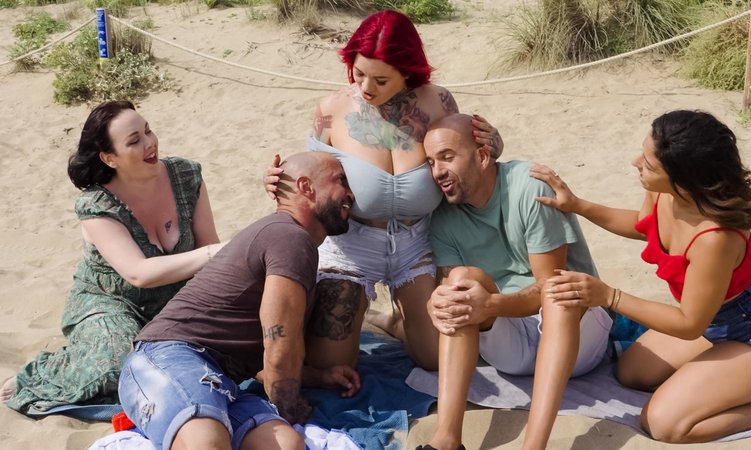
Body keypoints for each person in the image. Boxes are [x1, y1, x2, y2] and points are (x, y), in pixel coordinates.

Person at [534, 110, 751, 443]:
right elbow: (644, 226)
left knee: (663, 424)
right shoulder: (665, 192)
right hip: (715, 322)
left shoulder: (715, 238)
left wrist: (609, 296)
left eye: (648, 164)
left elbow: (689, 324)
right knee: (631, 373)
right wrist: (577, 205)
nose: (635, 163)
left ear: (684, 179)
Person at [264, 9, 503, 371]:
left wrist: (494, 145)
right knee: (331, 364)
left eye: (380, 79)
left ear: (407, 71)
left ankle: (394, 320)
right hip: (352, 247)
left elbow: (466, 160)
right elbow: (309, 175)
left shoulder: (439, 102)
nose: (365, 87)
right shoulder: (331, 109)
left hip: (416, 243)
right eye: (358, 73)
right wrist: (276, 180)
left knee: (435, 359)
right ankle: (375, 315)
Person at [118, 152, 360, 450]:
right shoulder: (290, 237)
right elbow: (279, 343)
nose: (350, 194)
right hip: (167, 356)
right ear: (306, 187)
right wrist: (289, 408)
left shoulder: (289, 238)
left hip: (220, 380)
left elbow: (258, 352)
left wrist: (318, 377)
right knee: (206, 442)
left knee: (287, 445)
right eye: (340, 181)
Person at [1, 101, 223, 414]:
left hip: (176, 300)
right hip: (110, 301)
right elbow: (138, 272)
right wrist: (212, 254)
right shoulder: (97, 204)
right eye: (134, 141)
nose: (150, 143)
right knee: (121, 360)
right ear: (109, 158)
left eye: (148, 131)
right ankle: (41, 375)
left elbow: (209, 251)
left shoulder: (186, 176)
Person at [418, 114, 612, 450]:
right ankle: (446, 441)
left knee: (559, 292)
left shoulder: (529, 186)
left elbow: (548, 286)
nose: (437, 172)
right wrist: (436, 302)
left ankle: (533, 446)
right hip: (510, 346)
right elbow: (452, 298)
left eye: (447, 157)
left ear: (482, 156)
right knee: (458, 285)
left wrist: (492, 304)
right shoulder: (442, 218)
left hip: (579, 340)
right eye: (431, 162)